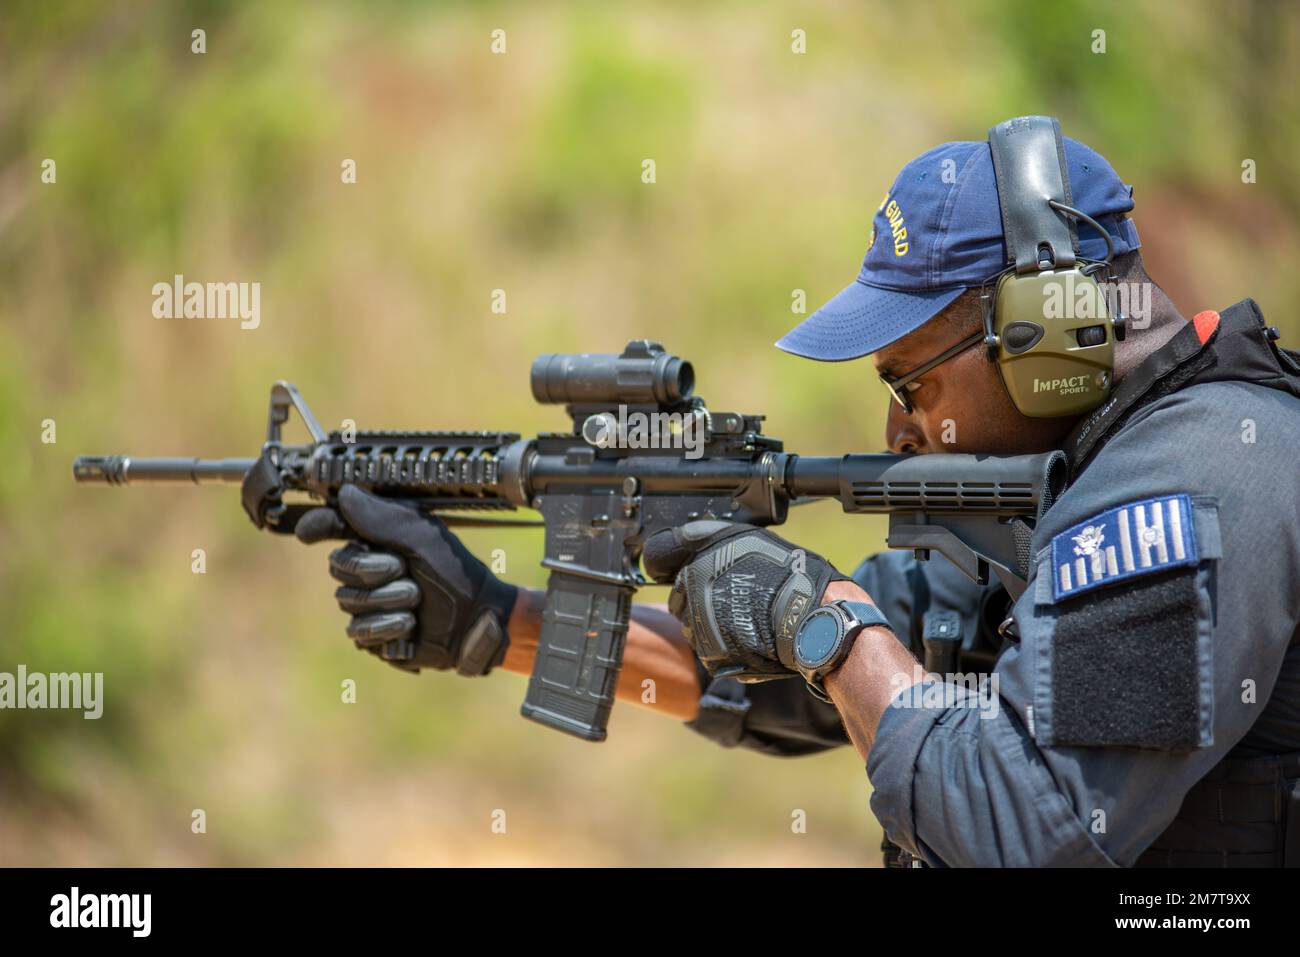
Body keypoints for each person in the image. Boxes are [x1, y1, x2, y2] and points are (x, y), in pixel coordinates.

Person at [297, 117, 1300, 867]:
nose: (896, 431)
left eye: (909, 385)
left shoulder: (1197, 483)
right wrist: (492, 622)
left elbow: (1020, 826)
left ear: (1048, 333)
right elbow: (815, 696)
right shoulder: (1076, 486)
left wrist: (820, 620)